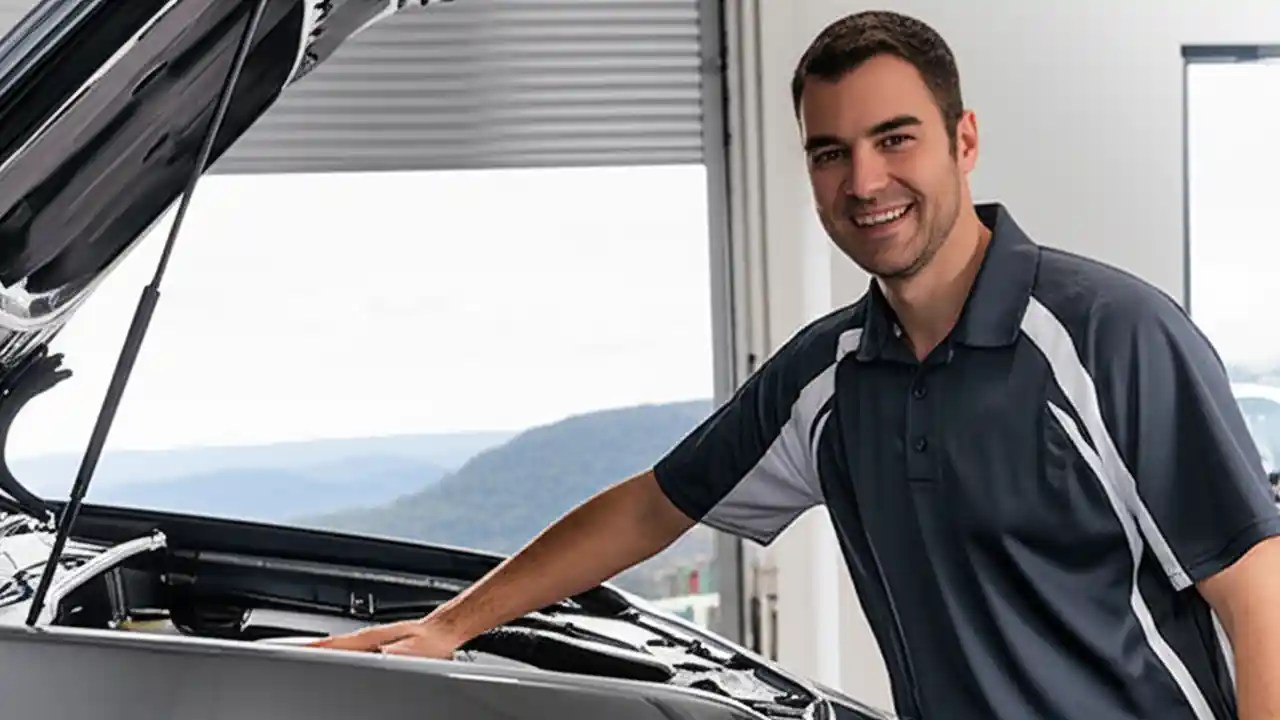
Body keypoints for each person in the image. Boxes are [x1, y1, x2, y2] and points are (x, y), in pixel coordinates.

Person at [311, 10, 1280, 720]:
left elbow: (1255, 591)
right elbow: (652, 505)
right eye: (829, 152)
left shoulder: (1110, 336)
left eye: (893, 138)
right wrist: (451, 627)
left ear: (962, 141)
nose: (863, 181)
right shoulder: (828, 376)